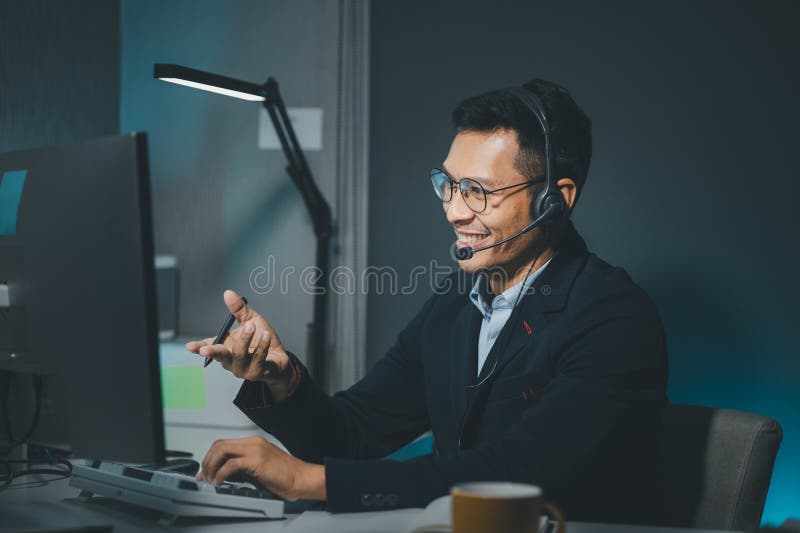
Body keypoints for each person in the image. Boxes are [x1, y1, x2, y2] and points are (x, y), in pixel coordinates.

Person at [186, 79, 668, 523]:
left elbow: (522, 468)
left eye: (479, 191)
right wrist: (283, 380)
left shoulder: (616, 318)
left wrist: (309, 480)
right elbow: (355, 432)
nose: (456, 211)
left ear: (555, 201)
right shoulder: (456, 304)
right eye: (450, 185)